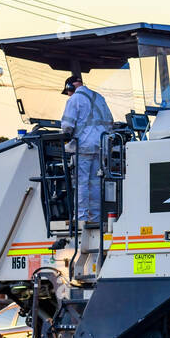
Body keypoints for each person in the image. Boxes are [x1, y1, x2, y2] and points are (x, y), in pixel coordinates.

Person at [60, 74, 115, 225]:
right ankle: (95, 217)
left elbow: (67, 126)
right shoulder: (99, 98)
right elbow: (110, 123)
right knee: (96, 183)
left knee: (81, 183)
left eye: (68, 91)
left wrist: (65, 138)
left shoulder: (74, 99)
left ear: (70, 87)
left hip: (83, 146)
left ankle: (81, 218)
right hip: (100, 145)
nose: (68, 94)